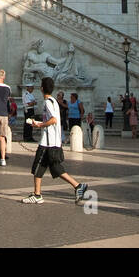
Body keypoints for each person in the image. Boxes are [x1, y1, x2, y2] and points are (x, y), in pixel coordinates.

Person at [23, 76, 89, 205]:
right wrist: (40, 122)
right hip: (53, 141)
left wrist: (39, 125)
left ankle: (37, 195)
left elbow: (53, 119)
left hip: (48, 142)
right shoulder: (53, 100)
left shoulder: (48, 102)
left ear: (42, 88)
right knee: (56, 168)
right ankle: (78, 186)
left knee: (37, 167)